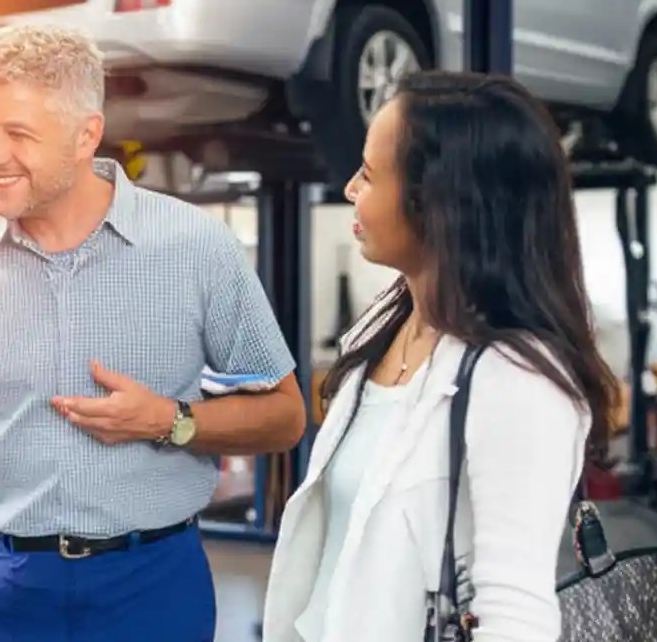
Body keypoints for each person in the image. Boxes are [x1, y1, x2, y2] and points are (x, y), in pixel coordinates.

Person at [0, 23, 306, 642]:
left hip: (153, 587)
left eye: (18, 134)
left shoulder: (196, 248)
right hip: (4, 590)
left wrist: (169, 419)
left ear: (87, 136)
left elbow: (285, 416)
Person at [260, 71, 618, 641]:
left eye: (371, 175)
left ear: (442, 203)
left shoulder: (518, 378)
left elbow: (515, 614)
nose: (351, 187)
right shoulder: (382, 327)